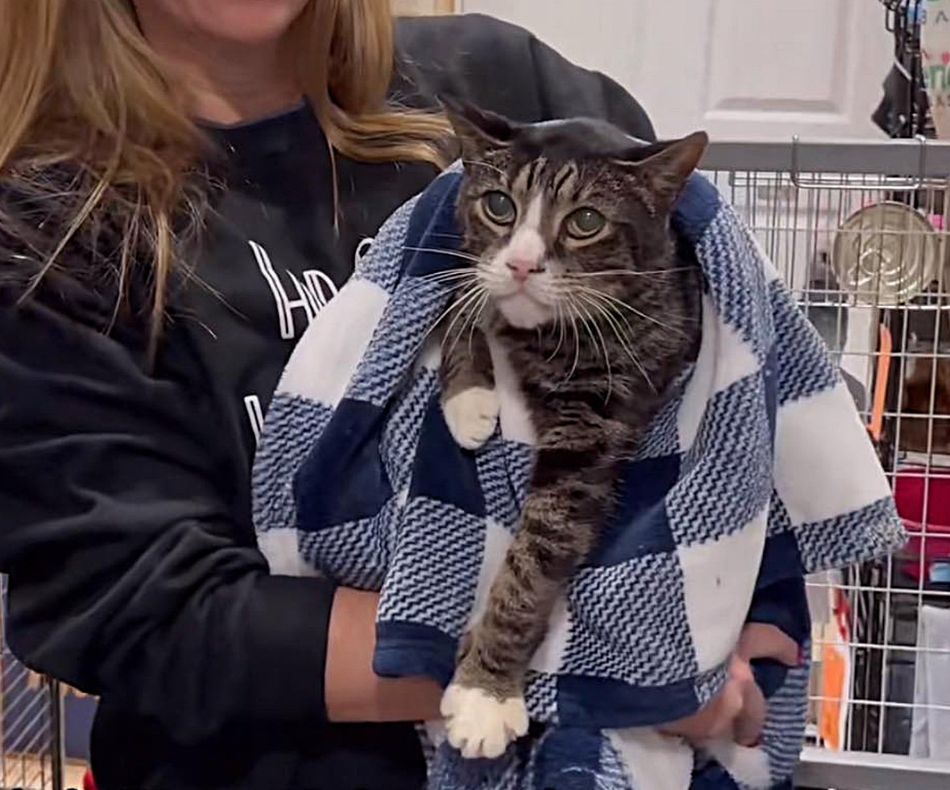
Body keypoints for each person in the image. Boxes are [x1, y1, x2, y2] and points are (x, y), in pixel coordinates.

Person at [0, 2, 799, 789]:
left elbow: (717, 349)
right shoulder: (51, 224)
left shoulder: (497, 81)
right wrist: (620, 666)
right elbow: (148, 614)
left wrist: (756, 598)